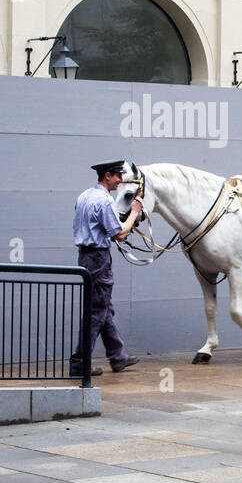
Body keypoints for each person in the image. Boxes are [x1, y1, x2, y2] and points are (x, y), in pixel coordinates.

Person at [71, 161, 142, 377]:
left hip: (85, 256)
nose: (120, 181)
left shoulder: (84, 196)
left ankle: (118, 356)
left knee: (103, 308)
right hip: (99, 258)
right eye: (118, 176)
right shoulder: (104, 201)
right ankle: (79, 364)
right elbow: (118, 234)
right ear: (108, 176)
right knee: (96, 312)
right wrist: (133, 213)